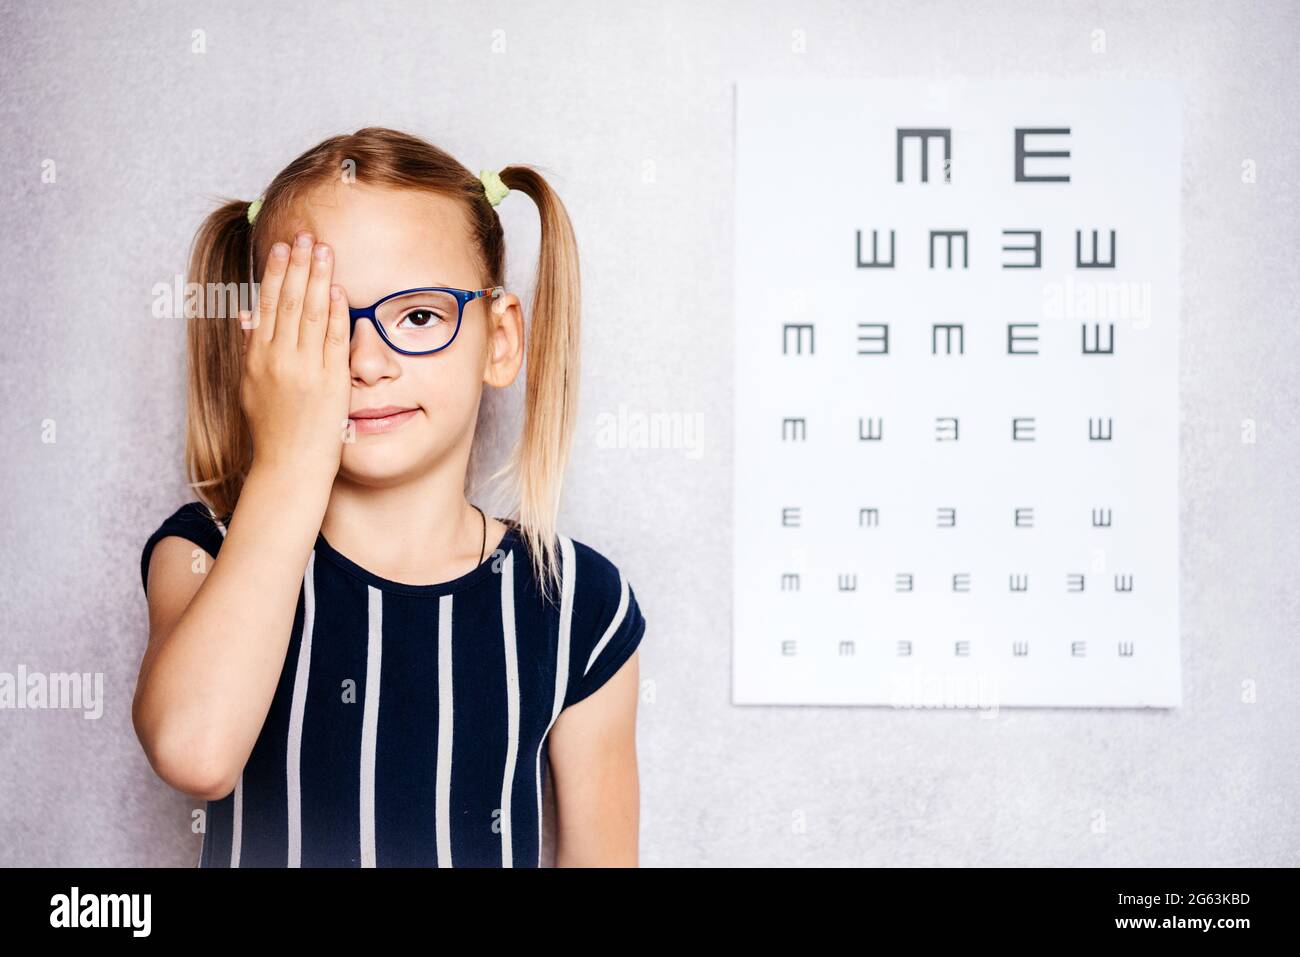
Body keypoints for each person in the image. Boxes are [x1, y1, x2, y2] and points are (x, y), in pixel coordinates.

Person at [133, 127, 646, 867]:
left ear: (499, 339)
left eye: (419, 317)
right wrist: (287, 458)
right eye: (323, 324)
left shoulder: (579, 606)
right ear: (261, 348)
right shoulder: (202, 553)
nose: (368, 362)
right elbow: (194, 751)